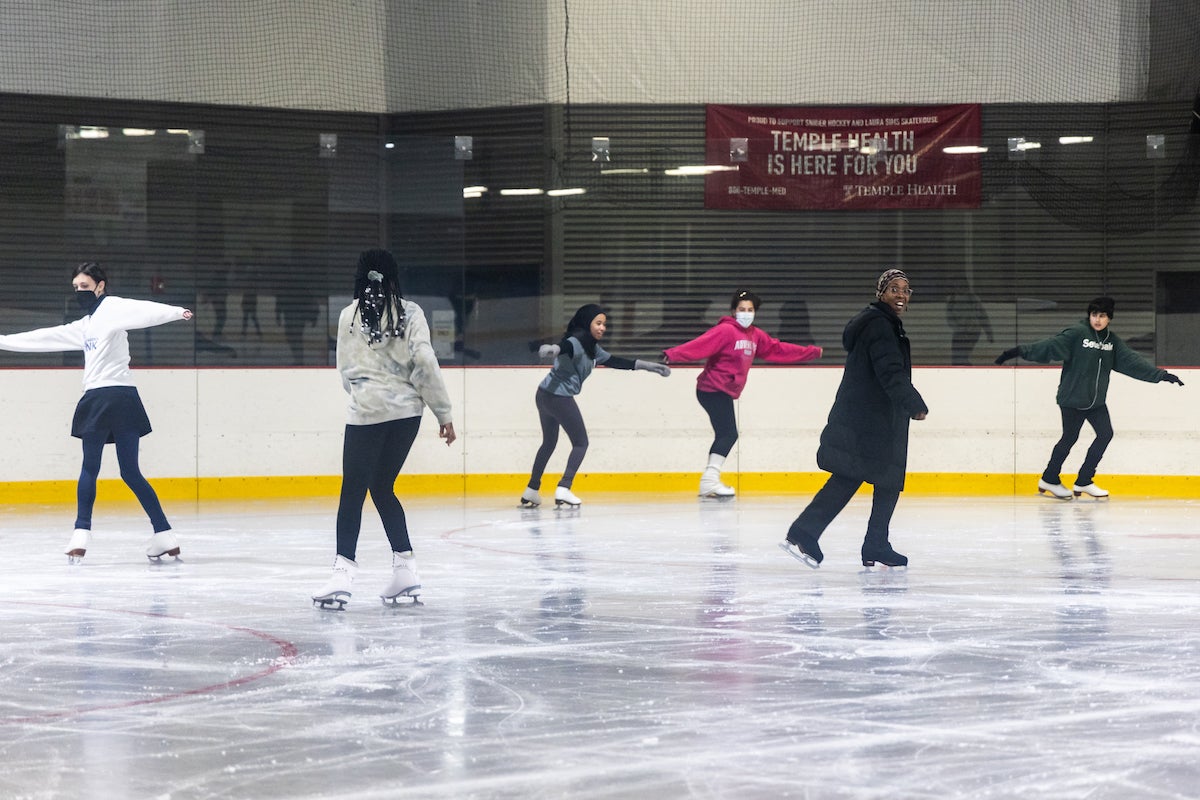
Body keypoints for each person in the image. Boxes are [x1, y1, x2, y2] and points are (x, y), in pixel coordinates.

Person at [0, 262, 193, 563]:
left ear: (101, 286)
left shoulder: (113, 307)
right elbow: (45, 338)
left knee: (90, 468)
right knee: (130, 471)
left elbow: (142, 310)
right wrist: (3, 342)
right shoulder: (85, 325)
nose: (80, 292)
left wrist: (175, 312)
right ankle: (164, 534)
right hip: (125, 399)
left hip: (102, 398)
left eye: (85, 287)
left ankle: (81, 532)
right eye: (76, 287)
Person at [312, 249, 456, 610]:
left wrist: (366, 392)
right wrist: (443, 412)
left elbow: (344, 370)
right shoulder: (411, 312)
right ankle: (405, 568)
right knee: (382, 487)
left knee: (353, 492)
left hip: (367, 413)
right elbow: (425, 360)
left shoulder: (349, 316)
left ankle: (342, 573)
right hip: (408, 413)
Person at [781, 268, 928, 569]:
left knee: (887, 478)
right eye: (894, 289)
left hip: (876, 418)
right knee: (849, 476)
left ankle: (876, 543)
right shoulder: (879, 326)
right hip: (867, 421)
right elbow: (889, 370)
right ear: (881, 293)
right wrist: (912, 402)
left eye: (906, 290)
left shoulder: (884, 324)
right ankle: (803, 532)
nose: (901, 295)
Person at [994, 296, 1183, 499]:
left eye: (1102, 316)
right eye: (1094, 315)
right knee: (1069, 439)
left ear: (1109, 318)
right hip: (1072, 399)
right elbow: (1050, 345)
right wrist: (1016, 352)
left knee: (1105, 434)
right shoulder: (1078, 333)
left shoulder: (1111, 342)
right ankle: (1050, 478)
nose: (1097, 320)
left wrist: (1161, 375)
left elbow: (1132, 361)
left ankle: (1084, 480)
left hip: (1095, 402)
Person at [663, 290, 822, 496]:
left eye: (750, 310)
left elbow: (778, 349)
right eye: (742, 309)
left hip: (724, 390)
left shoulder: (755, 335)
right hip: (712, 388)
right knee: (728, 433)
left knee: (726, 433)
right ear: (733, 311)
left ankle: (710, 480)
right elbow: (700, 346)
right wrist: (671, 354)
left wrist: (811, 352)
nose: (746, 313)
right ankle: (710, 480)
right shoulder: (725, 331)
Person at [520, 303, 670, 509]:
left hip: (544, 395)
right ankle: (564, 487)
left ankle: (531, 490)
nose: (602, 328)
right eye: (598, 323)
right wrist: (552, 350)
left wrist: (649, 366)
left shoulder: (592, 347)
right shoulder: (576, 341)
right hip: (558, 398)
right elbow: (564, 347)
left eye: (604, 324)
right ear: (587, 323)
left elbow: (615, 361)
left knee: (549, 443)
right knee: (581, 443)